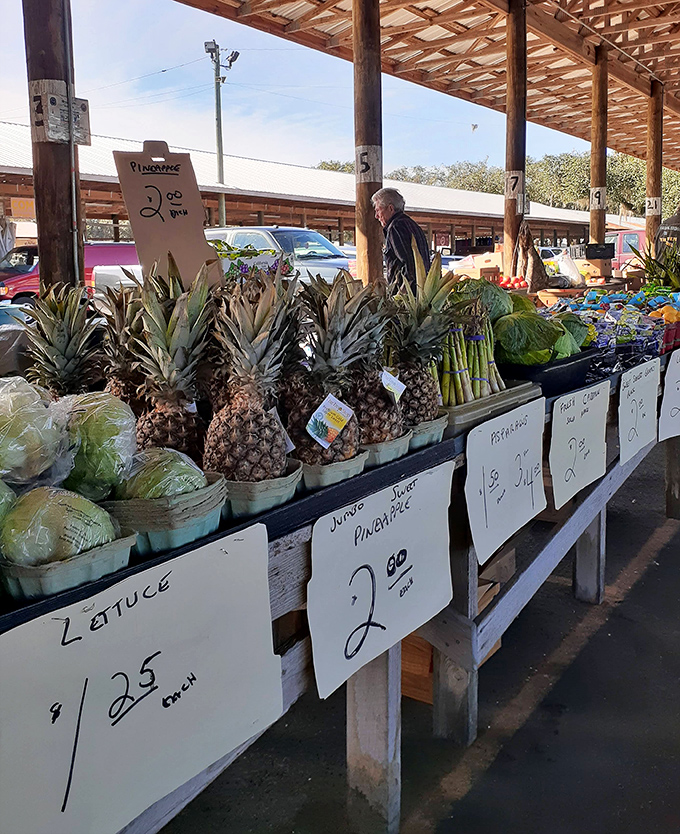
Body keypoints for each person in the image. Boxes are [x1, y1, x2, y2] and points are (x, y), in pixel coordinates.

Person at [371, 188, 431, 289]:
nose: (376, 216)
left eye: (378, 210)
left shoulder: (396, 227)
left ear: (390, 208)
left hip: (408, 296)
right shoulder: (412, 224)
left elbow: (409, 265)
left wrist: (401, 294)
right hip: (422, 291)